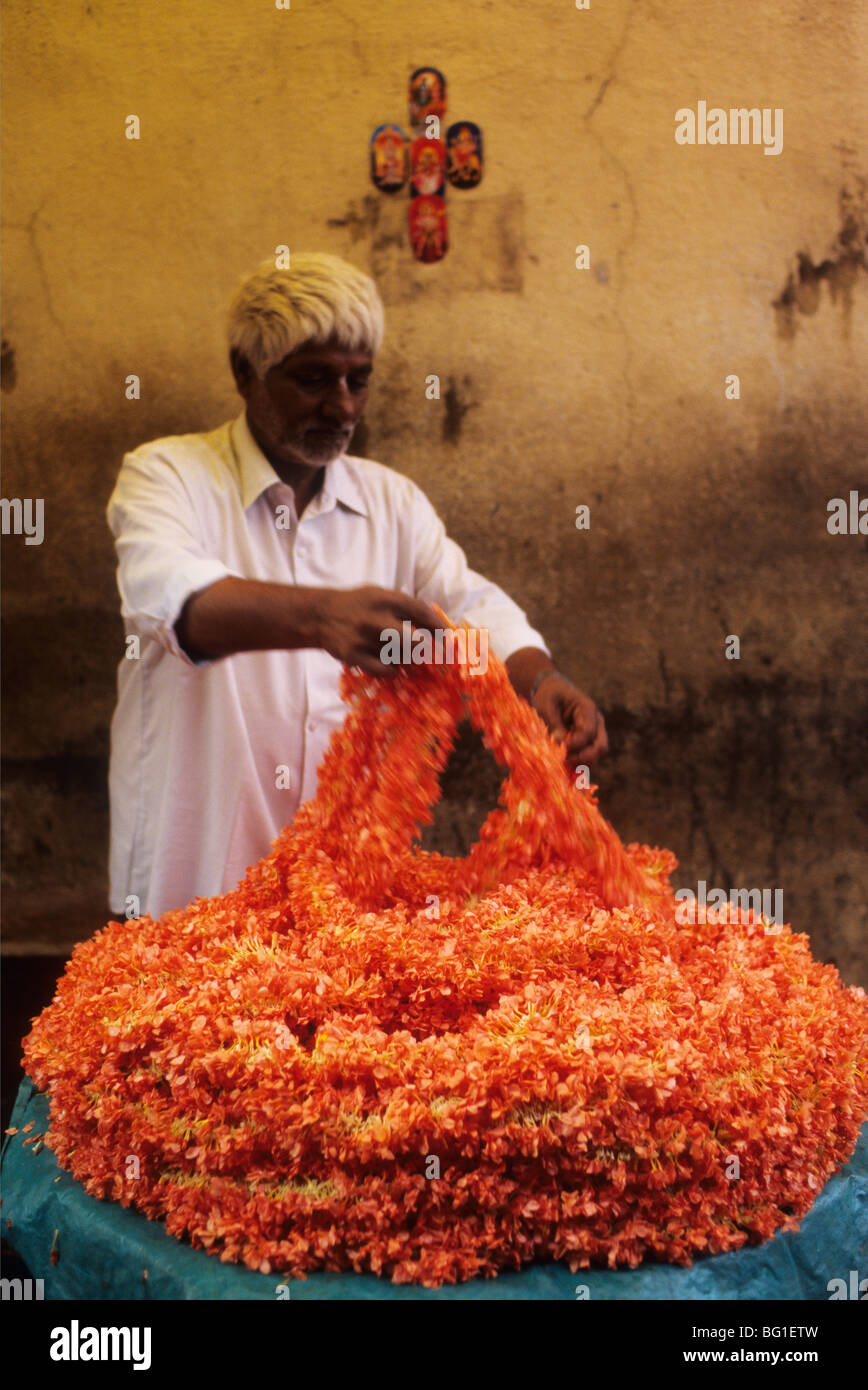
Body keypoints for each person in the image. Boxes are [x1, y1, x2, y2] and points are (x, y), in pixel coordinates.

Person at [106, 253, 608, 919]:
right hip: (193, 860)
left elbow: (467, 602)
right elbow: (170, 599)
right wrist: (320, 617)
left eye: (358, 381)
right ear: (245, 373)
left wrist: (538, 678)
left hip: (343, 879)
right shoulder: (168, 476)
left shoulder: (390, 501)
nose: (341, 405)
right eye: (313, 379)